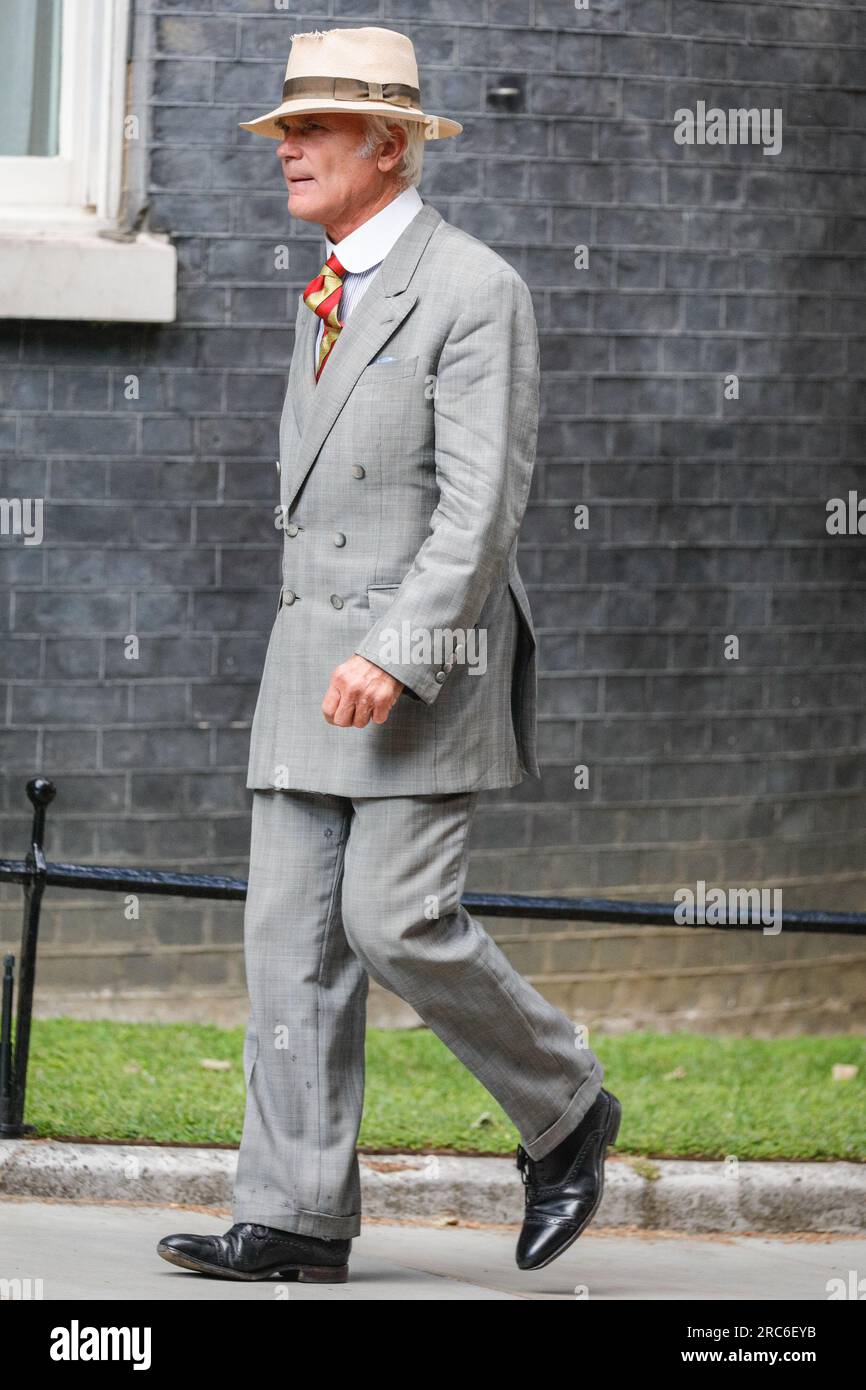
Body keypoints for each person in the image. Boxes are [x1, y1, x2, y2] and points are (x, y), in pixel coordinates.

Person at [158, 25, 620, 1285]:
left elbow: (481, 510)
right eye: (282, 130)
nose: (286, 149)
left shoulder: (475, 289)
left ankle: (566, 1107)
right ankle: (295, 1214)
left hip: (421, 667)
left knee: (395, 919)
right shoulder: (325, 284)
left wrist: (399, 649)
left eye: (310, 129)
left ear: (390, 143)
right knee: (288, 941)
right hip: (306, 655)